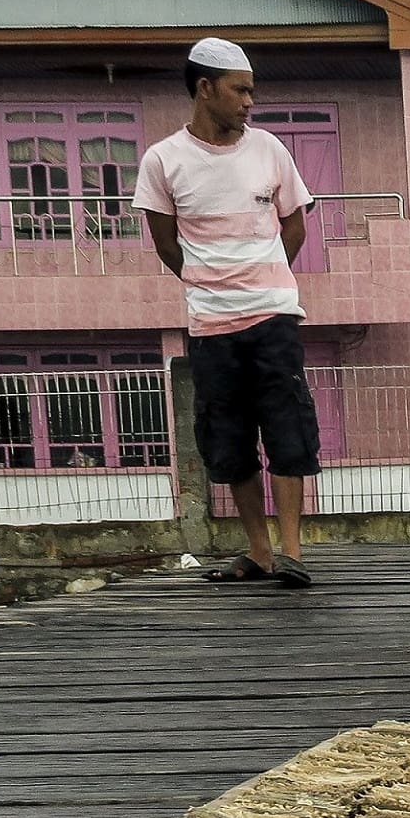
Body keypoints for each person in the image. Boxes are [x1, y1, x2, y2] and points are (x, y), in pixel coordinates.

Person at [135, 36, 318, 587]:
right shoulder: (163, 159)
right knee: (229, 438)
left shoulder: (269, 150)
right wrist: (208, 281)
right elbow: (165, 242)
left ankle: (292, 552)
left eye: (252, 91)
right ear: (205, 88)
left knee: (287, 429)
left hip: (274, 315)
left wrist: (264, 275)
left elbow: (295, 222)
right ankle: (258, 553)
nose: (248, 102)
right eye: (239, 90)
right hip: (211, 324)